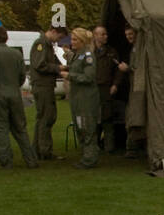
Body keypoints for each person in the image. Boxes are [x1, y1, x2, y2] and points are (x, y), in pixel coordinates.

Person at [0, 27, 38, 168]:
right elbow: (22, 77)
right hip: (15, 94)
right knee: (20, 129)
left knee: (0, 128)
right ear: (7, 38)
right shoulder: (17, 54)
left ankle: (6, 161)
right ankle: (31, 160)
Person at [60, 27, 99, 168]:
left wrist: (70, 76)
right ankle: (85, 155)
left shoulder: (88, 55)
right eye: (72, 39)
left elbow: (89, 77)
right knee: (80, 127)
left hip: (86, 99)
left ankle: (90, 158)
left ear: (82, 41)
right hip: (77, 98)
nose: (72, 42)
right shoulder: (77, 55)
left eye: (75, 39)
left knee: (87, 127)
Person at [29, 25, 65, 159]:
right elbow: (40, 64)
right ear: (54, 32)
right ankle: (45, 151)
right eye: (59, 37)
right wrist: (57, 68)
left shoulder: (46, 44)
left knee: (42, 117)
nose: (58, 40)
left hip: (44, 85)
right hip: (42, 85)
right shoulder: (41, 43)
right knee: (47, 117)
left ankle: (37, 149)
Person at [116, 24, 146, 159]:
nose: (128, 37)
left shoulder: (140, 48)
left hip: (139, 88)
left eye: (131, 34)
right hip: (135, 87)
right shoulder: (135, 48)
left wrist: (127, 68)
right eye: (127, 35)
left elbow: (140, 67)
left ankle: (133, 148)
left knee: (135, 115)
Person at [92, 24, 120, 152]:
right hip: (92, 89)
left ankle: (109, 147)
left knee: (107, 118)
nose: (105, 36)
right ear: (95, 36)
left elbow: (118, 70)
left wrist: (115, 84)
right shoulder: (89, 52)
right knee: (94, 118)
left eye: (106, 34)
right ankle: (94, 145)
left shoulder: (111, 52)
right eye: (102, 34)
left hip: (106, 88)